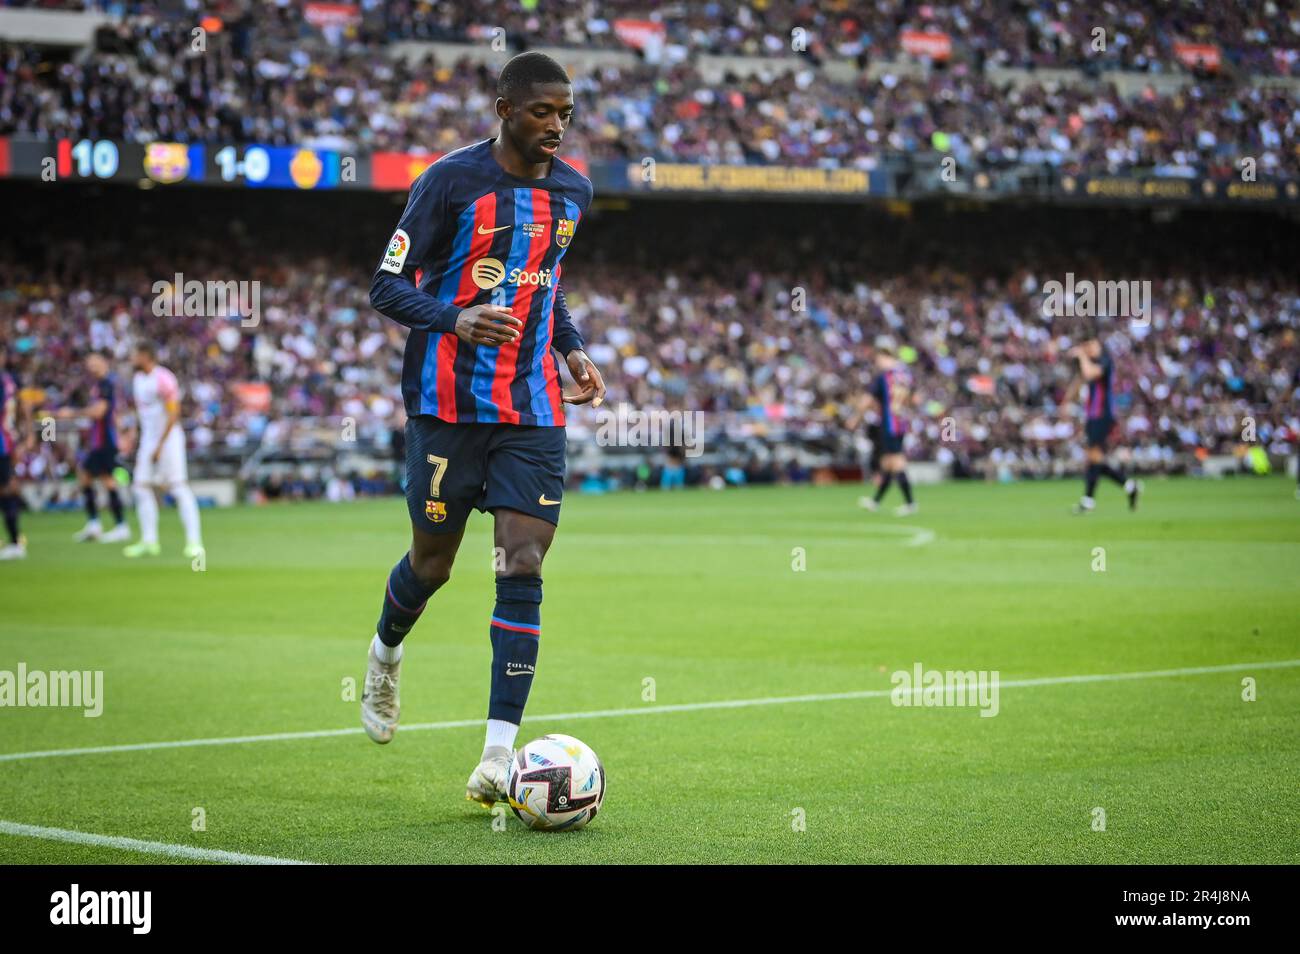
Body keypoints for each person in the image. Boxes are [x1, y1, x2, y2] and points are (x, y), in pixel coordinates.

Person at [361, 52, 607, 807]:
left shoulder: (573, 191)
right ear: (504, 110)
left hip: (532, 410)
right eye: (542, 112)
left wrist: (569, 346)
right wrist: (456, 319)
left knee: (521, 562)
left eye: (566, 113)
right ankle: (383, 652)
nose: (557, 126)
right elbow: (385, 285)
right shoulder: (449, 182)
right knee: (431, 567)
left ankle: (499, 754)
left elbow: (546, 281)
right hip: (445, 407)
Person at [121, 343, 204, 559]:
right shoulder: (138, 380)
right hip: (149, 440)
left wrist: (160, 445)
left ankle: (194, 542)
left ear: (145, 356)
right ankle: (149, 541)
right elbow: (143, 415)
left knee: (177, 487)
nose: (131, 359)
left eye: (135, 355)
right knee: (141, 487)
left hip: (168, 441)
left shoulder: (164, 378)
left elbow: (173, 414)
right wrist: (133, 436)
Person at [56, 353, 130, 543]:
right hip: (100, 440)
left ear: (104, 363)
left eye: (95, 363)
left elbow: (100, 412)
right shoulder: (100, 385)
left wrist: (72, 413)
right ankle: (97, 524)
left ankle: (118, 526)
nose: (92, 367)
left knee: (106, 480)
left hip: (105, 441)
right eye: (89, 364)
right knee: (87, 477)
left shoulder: (107, 383)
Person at [1069, 336, 1140, 514]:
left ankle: (1089, 501)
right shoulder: (1093, 362)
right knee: (1094, 459)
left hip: (1103, 414)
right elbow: (1079, 381)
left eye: (1091, 345)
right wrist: (1066, 401)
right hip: (1092, 415)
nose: (1088, 348)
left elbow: (1089, 374)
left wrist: (1081, 356)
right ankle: (1129, 486)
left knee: (1094, 457)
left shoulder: (1105, 361)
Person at [856, 347, 918, 516]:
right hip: (901, 423)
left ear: (885, 357)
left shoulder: (885, 377)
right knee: (887, 464)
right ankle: (875, 501)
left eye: (877, 360)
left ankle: (910, 503)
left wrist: (855, 418)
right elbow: (914, 399)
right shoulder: (906, 375)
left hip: (890, 424)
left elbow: (867, 400)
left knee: (896, 462)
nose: (877, 364)